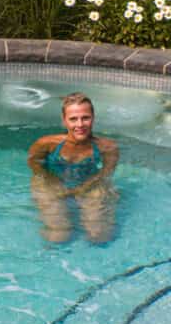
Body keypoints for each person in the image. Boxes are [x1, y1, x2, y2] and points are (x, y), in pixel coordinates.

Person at [27, 92, 119, 244]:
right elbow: (34, 163)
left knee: (98, 236)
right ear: (64, 121)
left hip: (90, 183)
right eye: (73, 119)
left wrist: (82, 189)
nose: (80, 124)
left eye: (85, 118)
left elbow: (105, 173)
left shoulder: (107, 147)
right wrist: (52, 181)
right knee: (59, 236)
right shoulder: (46, 143)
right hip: (50, 183)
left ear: (93, 118)